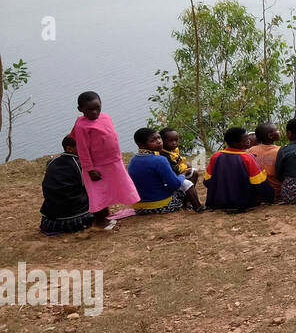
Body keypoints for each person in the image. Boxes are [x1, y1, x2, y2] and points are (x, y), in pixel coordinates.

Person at [71, 91, 139, 230]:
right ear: (80, 109)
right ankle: (100, 221)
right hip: (96, 166)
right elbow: (82, 150)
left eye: (98, 107)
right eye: (89, 109)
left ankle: (106, 216)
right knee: (98, 194)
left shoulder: (106, 117)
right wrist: (89, 169)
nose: (94, 112)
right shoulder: (82, 126)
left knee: (112, 189)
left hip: (113, 162)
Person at [128, 128, 201, 214]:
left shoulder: (133, 160)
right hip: (160, 206)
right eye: (153, 140)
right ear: (141, 145)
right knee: (187, 182)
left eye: (159, 138)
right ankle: (196, 207)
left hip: (139, 208)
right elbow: (175, 184)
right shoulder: (160, 160)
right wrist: (183, 174)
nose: (159, 141)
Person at [205, 126, 275, 212]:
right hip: (243, 203)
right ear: (235, 143)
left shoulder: (216, 156)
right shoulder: (247, 157)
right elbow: (259, 183)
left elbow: (207, 180)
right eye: (245, 140)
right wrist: (270, 197)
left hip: (217, 203)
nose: (249, 141)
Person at [39, 135, 94, 235]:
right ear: (69, 149)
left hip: (50, 219)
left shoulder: (51, 163)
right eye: (82, 146)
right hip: (74, 217)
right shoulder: (80, 165)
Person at [242, 123, 282, 199]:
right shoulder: (280, 151)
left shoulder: (250, 151)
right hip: (276, 192)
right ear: (270, 136)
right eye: (276, 130)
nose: (279, 132)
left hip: (257, 193)